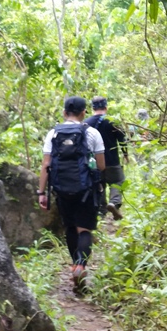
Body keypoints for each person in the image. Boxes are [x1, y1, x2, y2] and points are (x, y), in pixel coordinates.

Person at [38, 96, 105, 291]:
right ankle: (80, 265)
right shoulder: (92, 133)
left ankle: (74, 263)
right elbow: (101, 166)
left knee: (69, 228)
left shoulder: (53, 133)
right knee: (84, 229)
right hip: (86, 190)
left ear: (64, 113)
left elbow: (46, 164)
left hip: (61, 189)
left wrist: (41, 192)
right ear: (84, 112)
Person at [85, 96, 129, 220]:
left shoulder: (86, 123)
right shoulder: (113, 121)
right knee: (117, 181)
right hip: (112, 160)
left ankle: (101, 211)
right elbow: (122, 140)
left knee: (99, 184)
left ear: (92, 108)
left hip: (94, 162)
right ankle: (114, 202)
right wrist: (126, 155)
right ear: (106, 107)